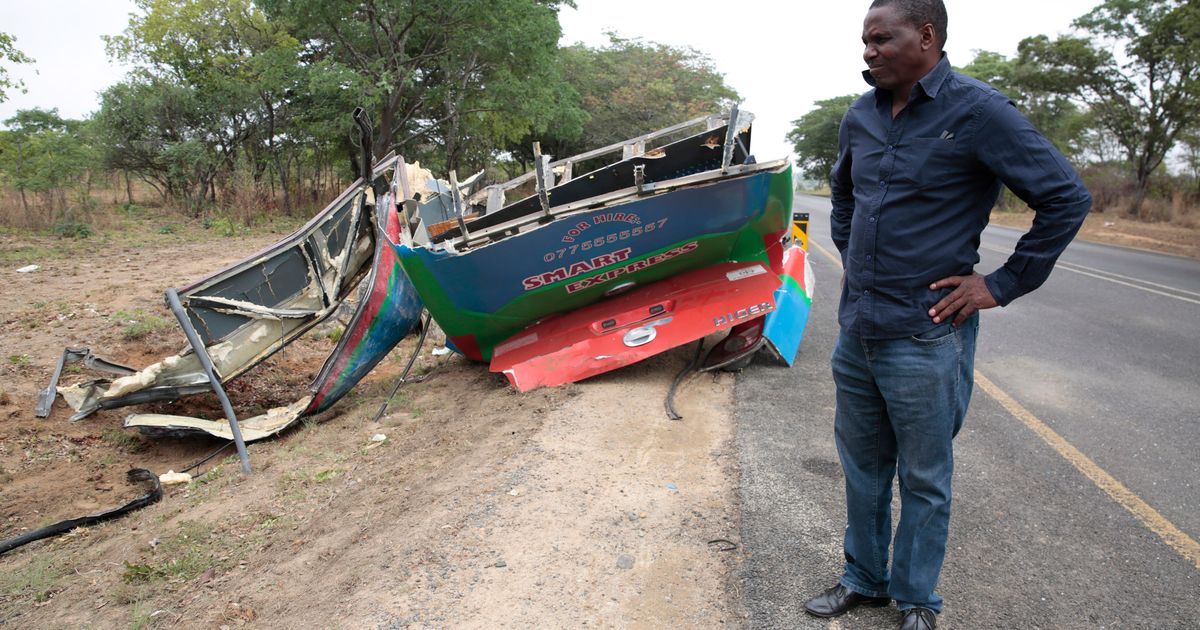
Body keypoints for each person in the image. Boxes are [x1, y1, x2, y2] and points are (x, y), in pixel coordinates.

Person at [802, 1, 1092, 629]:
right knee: (863, 467)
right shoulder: (861, 115)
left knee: (925, 478)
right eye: (864, 41)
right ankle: (864, 578)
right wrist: (854, 259)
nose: (868, 52)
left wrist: (1003, 283)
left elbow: (1066, 197)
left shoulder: (980, 112)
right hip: (860, 332)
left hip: (926, 332)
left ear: (927, 35)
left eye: (882, 39)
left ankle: (916, 601)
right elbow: (845, 194)